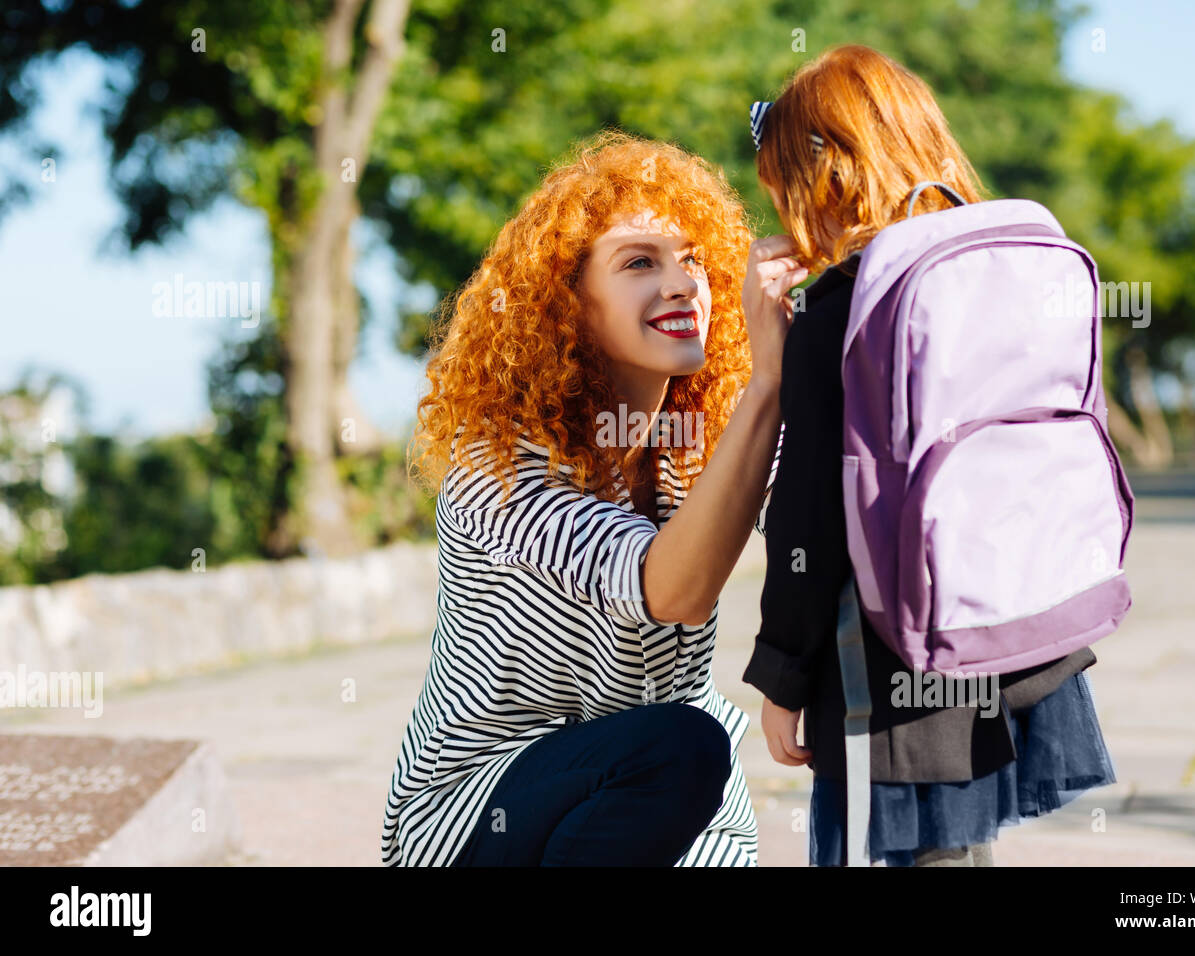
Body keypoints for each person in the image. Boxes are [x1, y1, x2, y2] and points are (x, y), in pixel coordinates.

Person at [381, 130, 806, 866]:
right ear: (567, 303)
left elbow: (820, 515)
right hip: (479, 812)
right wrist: (767, 386)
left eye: (695, 262)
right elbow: (670, 590)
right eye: (640, 262)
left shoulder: (700, 443)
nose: (682, 285)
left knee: (687, 752)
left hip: (663, 806)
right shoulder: (499, 464)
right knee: (681, 745)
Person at [742, 44, 1119, 867]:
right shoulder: (989, 277)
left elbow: (806, 517)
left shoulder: (838, 312)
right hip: (1012, 618)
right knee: (962, 847)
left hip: (885, 652)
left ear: (825, 180)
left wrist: (782, 674)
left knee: (907, 852)